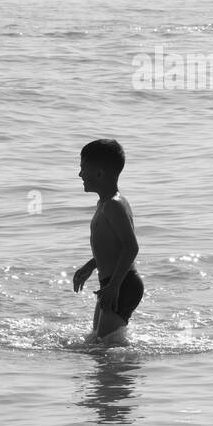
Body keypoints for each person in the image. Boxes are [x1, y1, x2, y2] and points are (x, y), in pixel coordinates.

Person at [73, 138, 143, 341]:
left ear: (99, 172)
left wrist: (114, 287)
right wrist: (91, 265)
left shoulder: (114, 205)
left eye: (83, 168)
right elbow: (115, 247)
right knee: (97, 341)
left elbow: (131, 247)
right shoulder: (103, 204)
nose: (80, 174)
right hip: (112, 283)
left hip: (122, 284)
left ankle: (128, 371)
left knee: (107, 347)